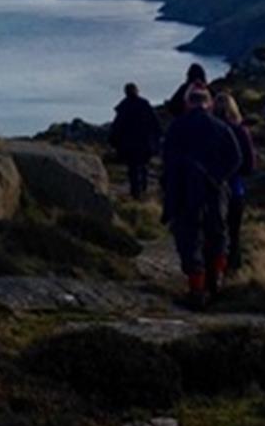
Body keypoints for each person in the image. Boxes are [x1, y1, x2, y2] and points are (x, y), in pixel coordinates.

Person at [161, 85, 242, 308]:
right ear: (209, 104)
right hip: (215, 192)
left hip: (184, 192)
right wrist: (216, 178)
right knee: (217, 235)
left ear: (188, 103)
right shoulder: (221, 127)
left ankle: (196, 289)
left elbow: (167, 161)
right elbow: (236, 158)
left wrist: (169, 189)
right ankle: (215, 281)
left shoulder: (177, 127)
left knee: (189, 238)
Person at [216, 91, 257, 272]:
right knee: (234, 232)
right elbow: (249, 164)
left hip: (210, 187)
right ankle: (233, 268)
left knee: (212, 232)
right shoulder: (241, 131)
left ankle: (213, 271)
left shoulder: (210, 129)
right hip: (235, 187)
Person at [109, 82, 163, 200]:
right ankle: (142, 189)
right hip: (144, 143)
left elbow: (117, 126)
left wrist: (113, 141)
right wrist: (157, 138)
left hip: (129, 145)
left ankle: (136, 192)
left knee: (133, 168)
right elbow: (155, 123)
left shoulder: (124, 107)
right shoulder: (144, 105)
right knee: (143, 166)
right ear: (137, 91)